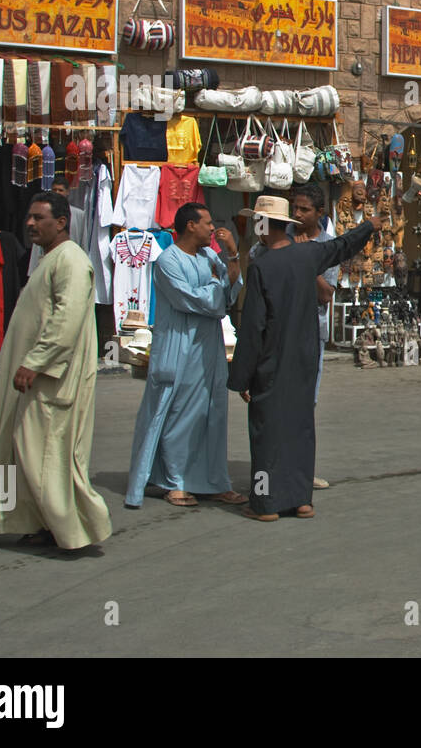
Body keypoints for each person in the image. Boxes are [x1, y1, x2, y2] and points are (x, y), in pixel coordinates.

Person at [0, 192, 113, 549]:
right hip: (40, 378)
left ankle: (73, 529)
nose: (29, 223)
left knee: (44, 458)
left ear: (60, 223)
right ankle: (45, 524)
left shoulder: (72, 260)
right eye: (29, 217)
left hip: (51, 379)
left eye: (38, 218)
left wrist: (36, 361)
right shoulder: (51, 259)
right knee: (31, 455)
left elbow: (67, 317)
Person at [228, 196, 373, 521]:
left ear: (264, 227)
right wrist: (368, 226)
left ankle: (264, 503)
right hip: (304, 359)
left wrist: (242, 377)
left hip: (271, 363)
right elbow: (343, 246)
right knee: (300, 428)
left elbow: (253, 328)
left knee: (267, 432)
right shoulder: (308, 255)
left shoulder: (263, 267)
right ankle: (300, 500)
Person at [125, 203, 245, 509]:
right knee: (182, 412)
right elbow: (193, 299)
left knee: (212, 412)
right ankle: (175, 480)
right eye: (206, 223)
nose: (211, 229)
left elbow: (229, 291)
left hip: (209, 346)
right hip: (180, 345)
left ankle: (215, 481)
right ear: (190, 225)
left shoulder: (208, 256)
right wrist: (217, 286)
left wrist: (232, 255)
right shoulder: (168, 261)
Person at [249, 184, 338, 489]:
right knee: (275, 402)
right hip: (277, 335)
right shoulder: (278, 241)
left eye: (305, 210)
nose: (298, 214)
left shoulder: (326, 245)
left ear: (319, 214)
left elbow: (326, 295)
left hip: (312, 335)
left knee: (305, 403)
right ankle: (276, 470)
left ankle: (300, 470)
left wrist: (304, 262)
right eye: (295, 209)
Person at [26, 178, 85, 276]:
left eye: (60, 190)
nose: (57, 193)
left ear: (67, 192)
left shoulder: (79, 214)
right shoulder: (45, 213)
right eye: (55, 190)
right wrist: (34, 271)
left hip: (72, 261)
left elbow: (83, 240)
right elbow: (38, 243)